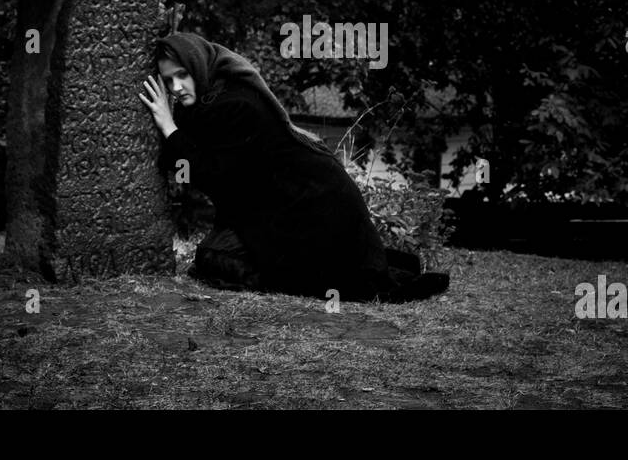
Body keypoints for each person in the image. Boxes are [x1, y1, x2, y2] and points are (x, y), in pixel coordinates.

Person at [138, 31, 449, 303]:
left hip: (314, 204)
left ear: (197, 66)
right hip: (285, 205)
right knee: (214, 256)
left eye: (181, 75)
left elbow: (212, 176)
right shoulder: (207, 102)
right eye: (169, 81)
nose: (176, 87)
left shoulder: (235, 105)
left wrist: (168, 126)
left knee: (213, 260)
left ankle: (343, 265)